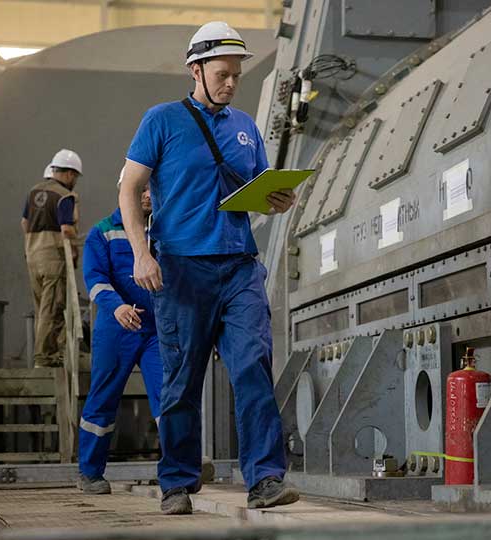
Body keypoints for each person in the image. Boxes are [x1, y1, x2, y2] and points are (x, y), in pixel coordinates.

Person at [118, 21, 298, 514]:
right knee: (182, 381)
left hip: (240, 266)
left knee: (253, 367)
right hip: (181, 270)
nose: (232, 82)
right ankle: (177, 483)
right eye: (223, 74)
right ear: (195, 70)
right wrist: (141, 253)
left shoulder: (245, 127)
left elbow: (257, 190)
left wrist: (275, 199)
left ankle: (266, 479)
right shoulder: (161, 121)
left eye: (237, 74)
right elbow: (129, 188)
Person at [77, 180, 163, 494]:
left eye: (152, 189)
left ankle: (179, 470)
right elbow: (95, 279)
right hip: (116, 329)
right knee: (103, 398)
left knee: (169, 398)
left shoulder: (164, 230)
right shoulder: (102, 232)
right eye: (141, 189)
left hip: (156, 330)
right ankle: (90, 473)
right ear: (125, 191)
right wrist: (117, 307)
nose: (148, 195)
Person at [21, 149, 83, 368]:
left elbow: (24, 223)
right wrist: (75, 247)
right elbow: (66, 229)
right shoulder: (65, 195)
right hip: (54, 258)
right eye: (75, 176)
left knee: (41, 307)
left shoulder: (33, 191)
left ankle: (45, 354)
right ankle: (45, 357)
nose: (75, 181)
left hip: (33, 255)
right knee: (53, 308)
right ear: (69, 173)